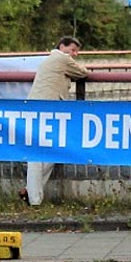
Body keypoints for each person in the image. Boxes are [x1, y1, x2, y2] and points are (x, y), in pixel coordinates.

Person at [22, 36, 90, 206]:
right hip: (45, 109)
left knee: (49, 153)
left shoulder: (52, 59)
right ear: (62, 46)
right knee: (39, 155)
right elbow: (83, 72)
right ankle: (34, 199)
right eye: (72, 50)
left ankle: (31, 192)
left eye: (76, 51)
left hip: (42, 108)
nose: (74, 54)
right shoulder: (62, 58)